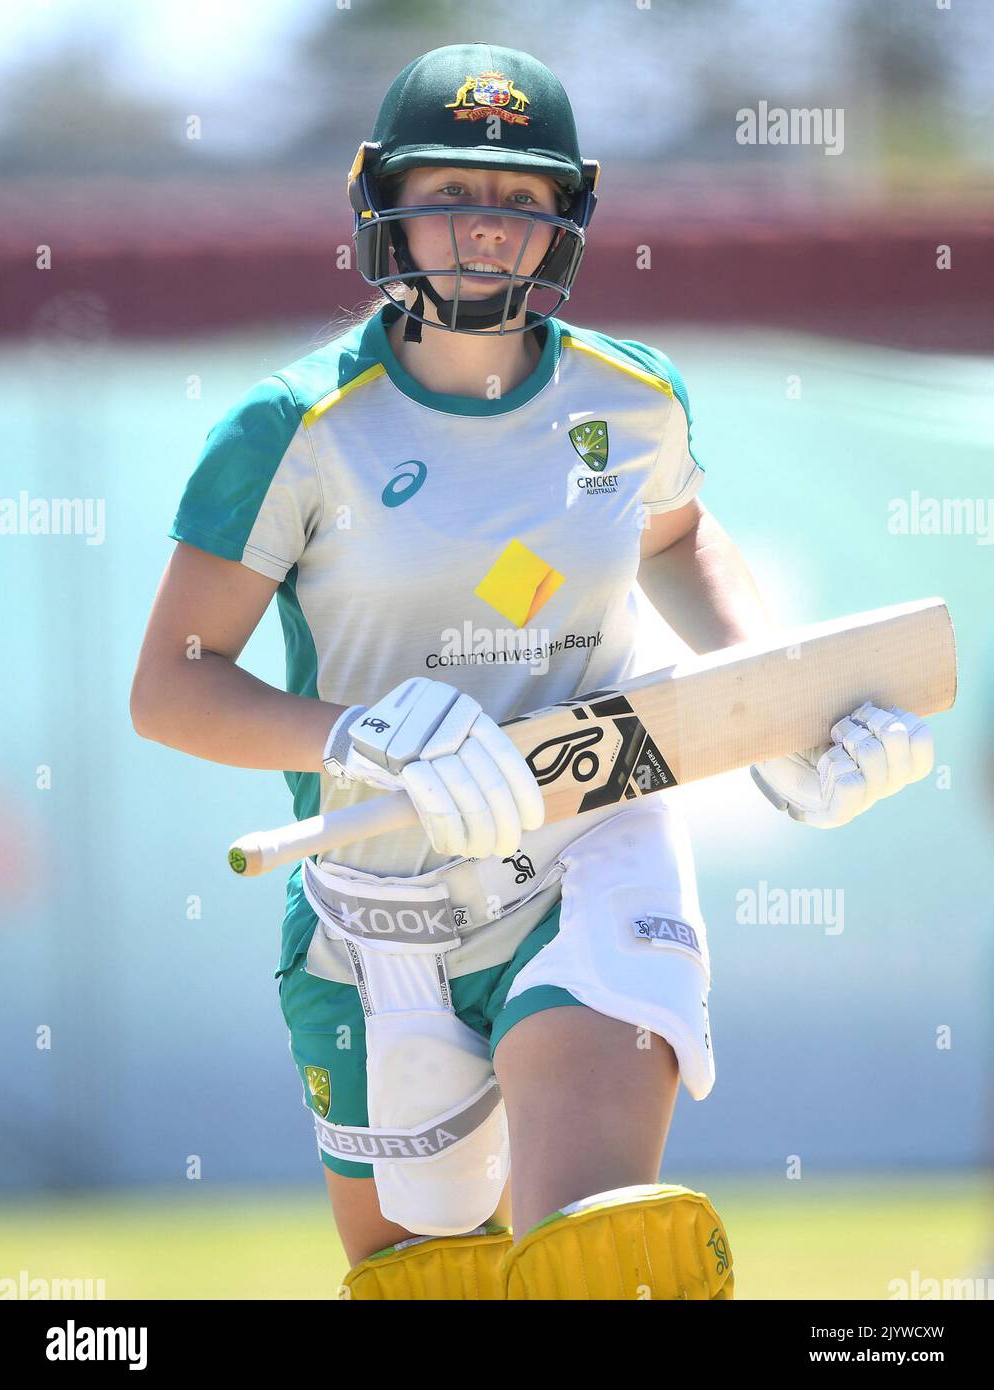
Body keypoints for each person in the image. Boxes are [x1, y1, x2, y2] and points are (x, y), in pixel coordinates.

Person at [130, 42, 936, 1301]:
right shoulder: (289, 430)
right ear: (381, 198)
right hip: (371, 909)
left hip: (587, 845)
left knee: (606, 1256)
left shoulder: (634, 399)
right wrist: (359, 738)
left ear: (566, 217)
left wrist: (786, 705)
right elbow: (172, 690)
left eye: (519, 199)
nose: (484, 230)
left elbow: (674, 533)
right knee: (429, 1279)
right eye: (451, 190)